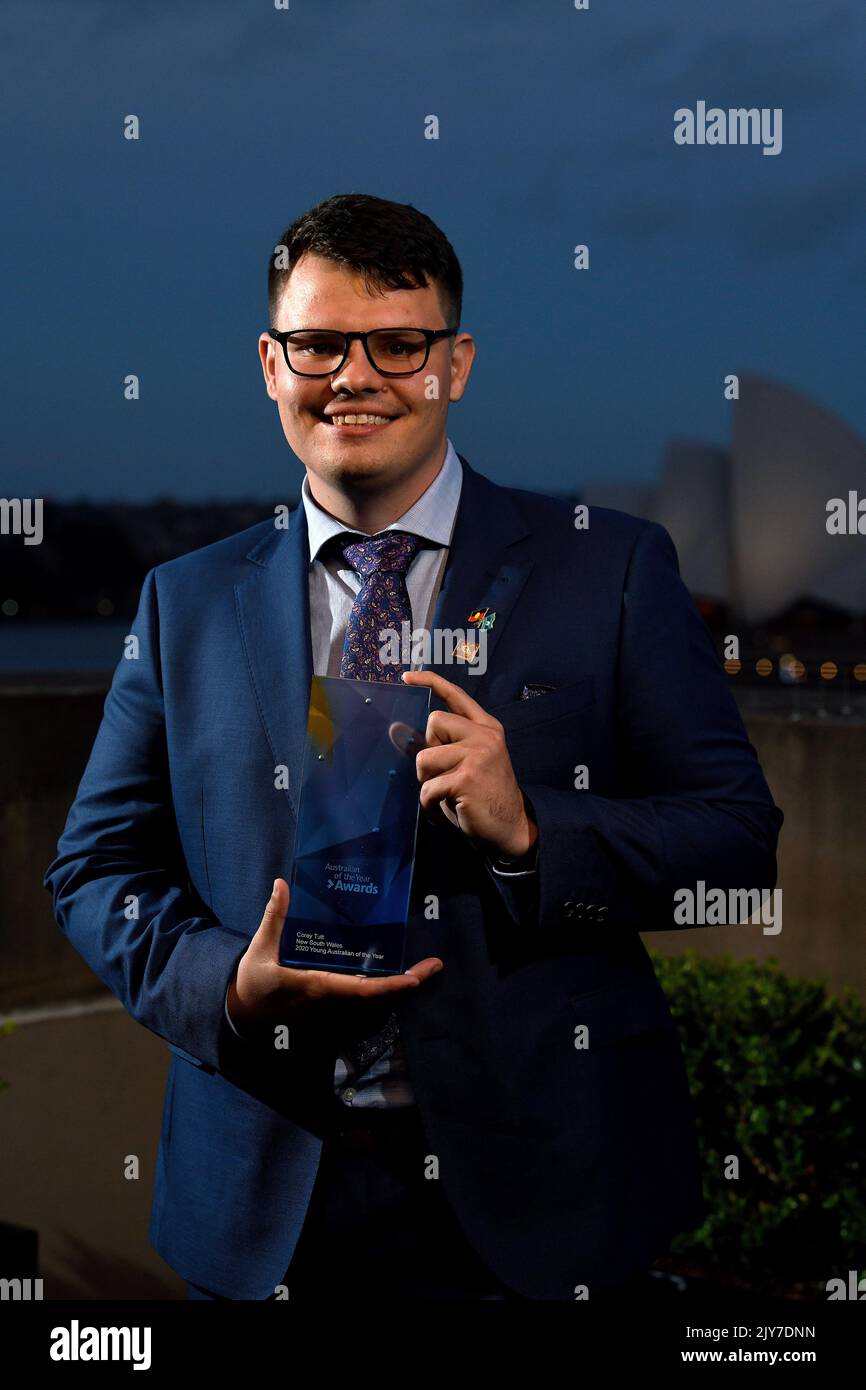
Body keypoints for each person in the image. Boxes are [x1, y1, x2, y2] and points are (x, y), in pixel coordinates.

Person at [44, 192, 783, 1302]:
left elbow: (737, 848)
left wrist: (534, 828)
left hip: (540, 1202)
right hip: (265, 1209)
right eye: (317, 343)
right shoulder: (181, 603)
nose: (354, 375)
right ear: (268, 361)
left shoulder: (610, 570)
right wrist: (227, 988)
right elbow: (94, 871)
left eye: (398, 343)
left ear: (457, 361)